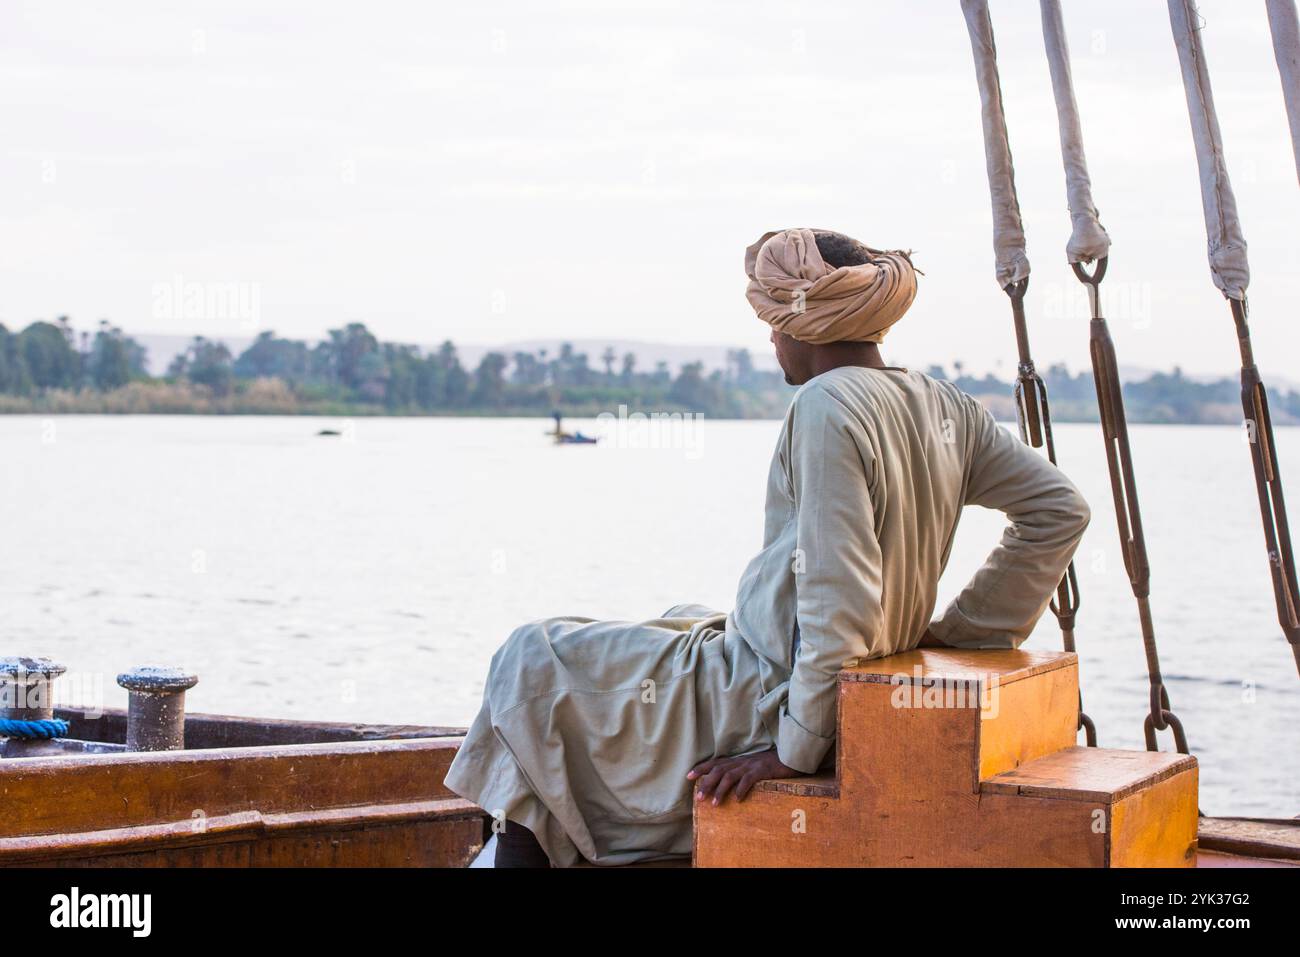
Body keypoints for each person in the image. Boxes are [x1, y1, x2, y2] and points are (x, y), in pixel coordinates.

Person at [444, 227, 1091, 867]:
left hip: (771, 696)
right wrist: (956, 639)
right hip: (817, 676)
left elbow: (839, 596)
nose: (772, 339)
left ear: (800, 325)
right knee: (678, 612)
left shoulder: (825, 405)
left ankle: (524, 853)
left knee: (532, 657)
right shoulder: (948, 404)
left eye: (773, 323)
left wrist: (794, 748)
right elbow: (1059, 510)